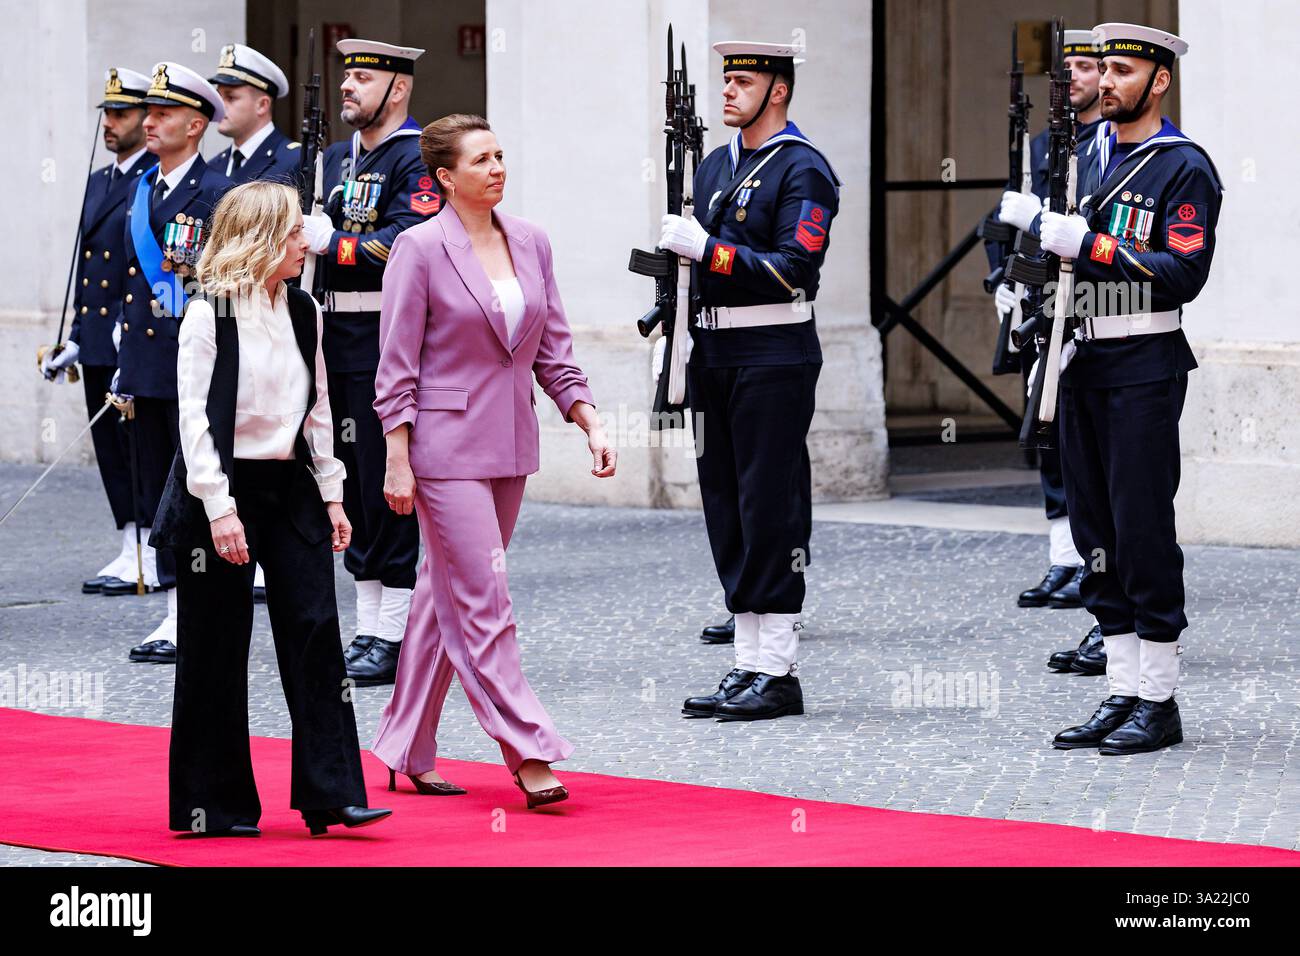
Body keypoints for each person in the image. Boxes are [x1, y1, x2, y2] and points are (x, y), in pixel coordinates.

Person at [369, 114, 615, 807]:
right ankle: (528, 751)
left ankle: (405, 745)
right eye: (481, 160)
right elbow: (396, 365)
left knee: (440, 594)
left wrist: (590, 421)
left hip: (511, 445)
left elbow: (553, 351)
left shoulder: (532, 241)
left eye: (501, 155)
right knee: (485, 598)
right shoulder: (418, 249)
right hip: (444, 452)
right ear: (446, 177)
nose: (497, 168)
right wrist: (397, 456)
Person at [153, 180, 390, 837]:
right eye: (291, 233)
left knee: (316, 634)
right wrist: (221, 510)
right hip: (218, 493)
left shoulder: (303, 308)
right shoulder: (208, 314)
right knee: (215, 646)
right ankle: (214, 805)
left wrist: (335, 494)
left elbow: (318, 410)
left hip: (291, 488)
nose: (303, 243)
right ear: (259, 239)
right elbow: (194, 423)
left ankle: (332, 794)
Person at [1041, 23, 1222, 755]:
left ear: (1159, 81)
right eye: (1103, 69)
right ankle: (1120, 687)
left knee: (1140, 527)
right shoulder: (1084, 156)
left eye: (1120, 70)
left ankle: (1160, 697)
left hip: (1145, 362)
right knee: (1095, 532)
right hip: (1081, 360)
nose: (1105, 81)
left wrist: (1090, 246)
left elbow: (1183, 273)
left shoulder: (1184, 168)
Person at [664, 41, 840, 721]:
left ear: (778, 91)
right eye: (727, 80)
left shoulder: (804, 169)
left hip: (774, 350)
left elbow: (795, 264)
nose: (728, 92)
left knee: (771, 503)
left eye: (742, 82)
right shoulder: (712, 166)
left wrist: (709, 250)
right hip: (712, 350)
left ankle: (779, 667)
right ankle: (746, 660)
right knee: (726, 504)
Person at [301, 38, 442, 687]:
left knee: (390, 481)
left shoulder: (418, 157)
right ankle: (365, 623)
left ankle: (393, 631)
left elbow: (408, 244)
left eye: (362, 76)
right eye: (346, 76)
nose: (348, 86)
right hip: (333, 330)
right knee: (351, 478)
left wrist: (338, 242)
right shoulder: (334, 158)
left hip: (387, 330)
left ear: (399, 88)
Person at [992, 28, 1108, 676]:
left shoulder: (1107, 149)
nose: (1076, 81)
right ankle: (1064, 558)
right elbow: (1001, 227)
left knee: (1086, 454)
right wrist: (1003, 281)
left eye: (1087, 68)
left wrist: (1037, 219)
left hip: (1085, 315)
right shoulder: (1041, 147)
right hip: (1038, 310)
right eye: (1068, 70)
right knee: (1046, 435)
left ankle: (1103, 593)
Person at [114, 63, 232, 665]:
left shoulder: (213, 194)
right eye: (148, 113)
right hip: (144, 363)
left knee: (186, 486)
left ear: (195, 124)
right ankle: (171, 604)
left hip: (190, 363)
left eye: (162, 114)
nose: (149, 122)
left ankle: (191, 610)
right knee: (152, 481)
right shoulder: (146, 190)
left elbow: (217, 285)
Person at [42, 68, 154, 594]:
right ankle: (127, 543)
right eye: (106, 114)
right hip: (98, 338)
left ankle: (151, 553)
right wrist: (74, 336)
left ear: (145, 118)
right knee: (110, 448)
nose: (110, 124)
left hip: (133, 337)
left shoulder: (153, 178)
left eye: (122, 114)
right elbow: (90, 269)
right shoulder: (100, 181)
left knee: (140, 447)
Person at [209, 41, 302, 603]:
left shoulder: (290, 162)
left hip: (272, 310)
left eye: (232, 95)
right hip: (222, 309)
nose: (222, 105)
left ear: (263, 103)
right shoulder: (220, 168)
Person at [209, 43, 302, 187]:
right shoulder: (215, 165)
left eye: (230, 98)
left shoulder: (295, 160)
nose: (220, 105)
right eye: (218, 96)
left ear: (262, 105)